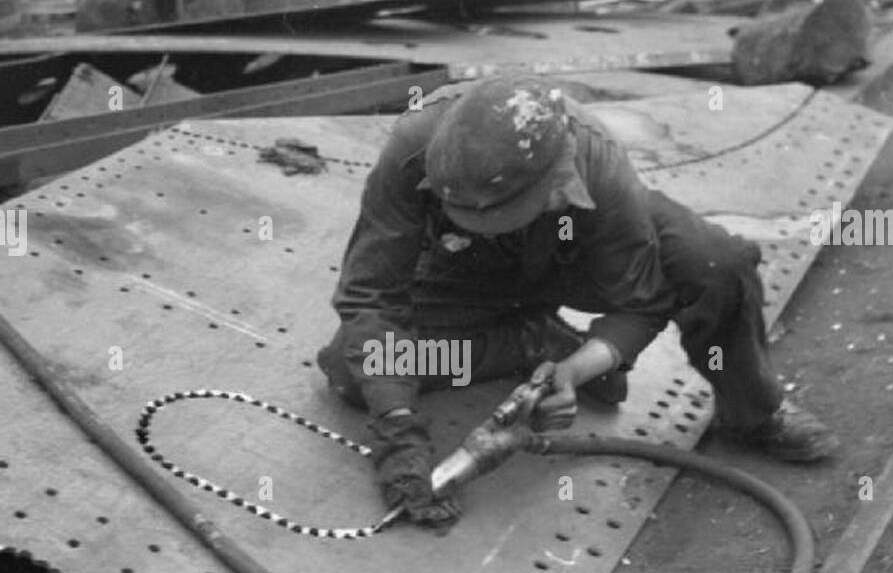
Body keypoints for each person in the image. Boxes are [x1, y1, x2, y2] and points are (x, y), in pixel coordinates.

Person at [317, 78, 837, 529]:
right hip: (465, 269)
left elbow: (641, 302)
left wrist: (579, 368)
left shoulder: (598, 165)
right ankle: (524, 340)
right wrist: (397, 426)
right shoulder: (414, 145)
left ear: (558, 182)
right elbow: (370, 296)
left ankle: (753, 412)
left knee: (714, 262)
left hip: (572, 254)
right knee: (351, 366)